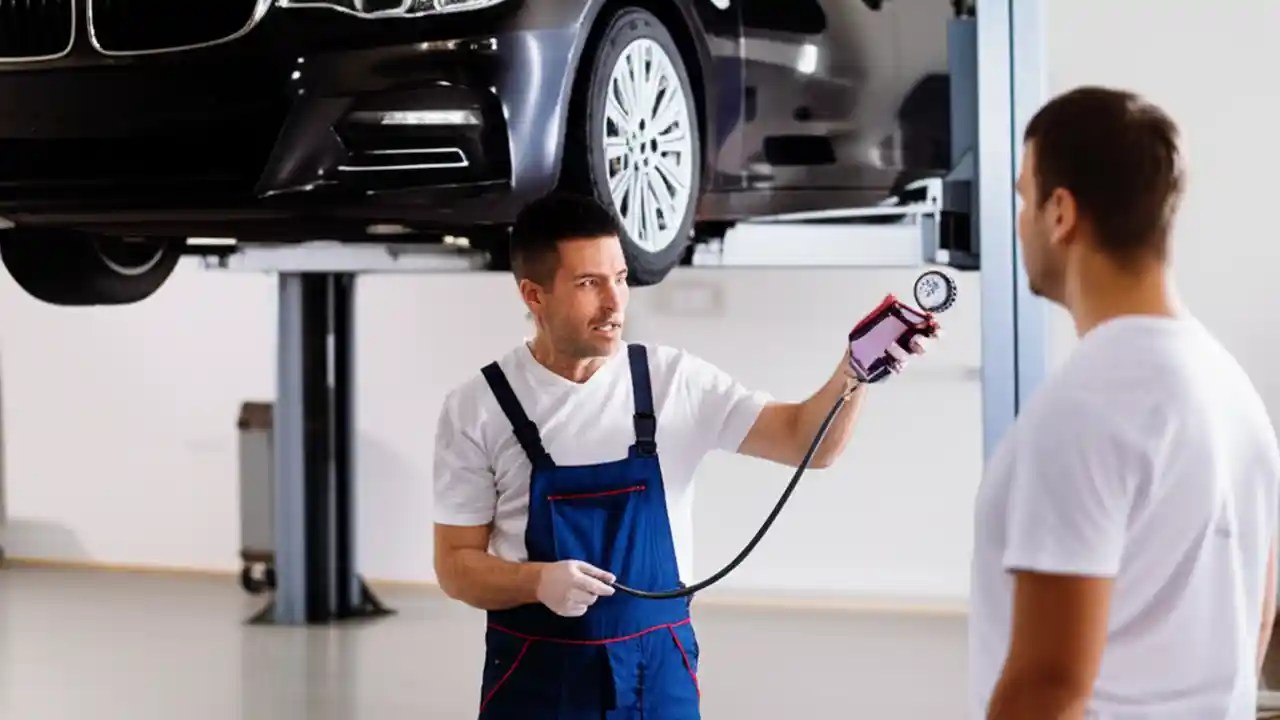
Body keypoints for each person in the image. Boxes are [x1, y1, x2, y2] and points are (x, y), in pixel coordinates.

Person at [431, 191, 932, 718]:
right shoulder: (478, 407)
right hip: (537, 679)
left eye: (620, 278)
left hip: (657, 675)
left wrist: (855, 372)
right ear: (534, 295)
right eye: (588, 284)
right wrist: (536, 582)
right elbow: (455, 565)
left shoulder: (670, 381)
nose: (615, 303)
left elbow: (804, 441)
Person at [969, 85, 1280, 719]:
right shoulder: (1232, 389)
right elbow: (1255, 617)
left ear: (1061, 212)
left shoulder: (1086, 408)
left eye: (1024, 198)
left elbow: (1048, 685)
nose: (1021, 222)